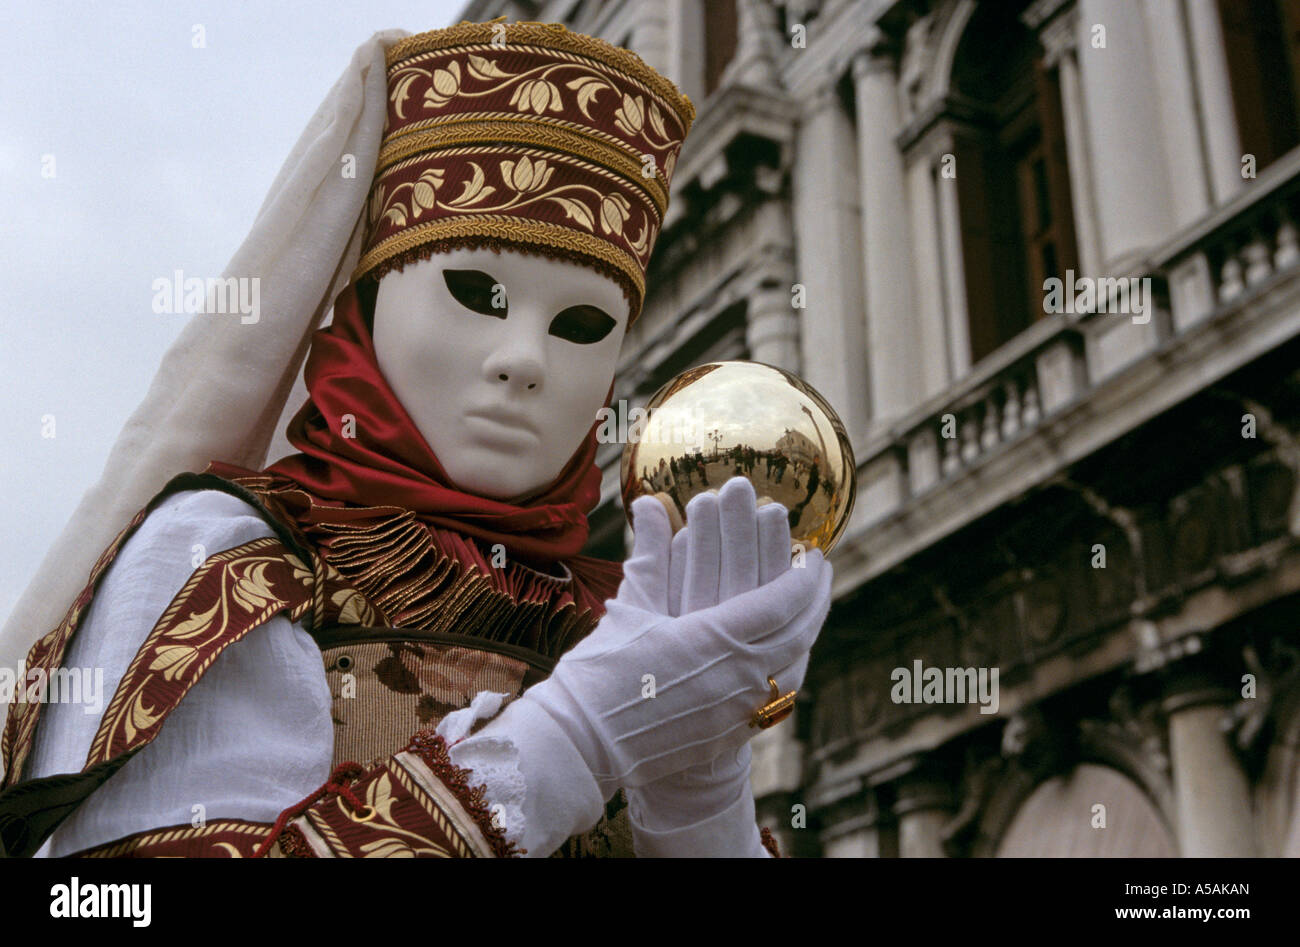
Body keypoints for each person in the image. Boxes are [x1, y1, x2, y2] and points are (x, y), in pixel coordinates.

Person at [0, 19, 831, 859]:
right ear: (369, 302)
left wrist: (697, 799)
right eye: (479, 291)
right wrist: (565, 743)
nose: (523, 361)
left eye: (581, 325)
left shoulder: (611, 620)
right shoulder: (229, 565)